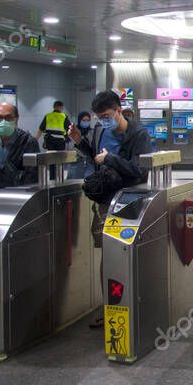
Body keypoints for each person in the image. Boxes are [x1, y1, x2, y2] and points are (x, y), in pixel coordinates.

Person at [69, 91, 152, 328]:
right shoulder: (100, 131)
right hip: (106, 203)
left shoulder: (138, 134)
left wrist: (110, 159)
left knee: (129, 252)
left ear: (118, 110)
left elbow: (139, 170)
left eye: (106, 115)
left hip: (131, 202)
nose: (103, 120)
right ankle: (111, 307)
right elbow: (95, 158)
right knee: (109, 255)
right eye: (99, 116)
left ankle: (138, 304)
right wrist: (79, 142)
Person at [0, 103, 40, 198]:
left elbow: (32, 177)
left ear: (16, 119)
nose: (3, 122)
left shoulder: (28, 142)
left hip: (20, 198)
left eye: (8, 118)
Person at [68, 111, 95, 179]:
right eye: (84, 120)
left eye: (88, 120)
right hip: (76, 161)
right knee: (74, 181)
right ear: (79, 120)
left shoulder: (92, 132)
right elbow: (70, 146)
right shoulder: (74, 131)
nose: (86, 122)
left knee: (90, 181)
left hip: (90, 162)